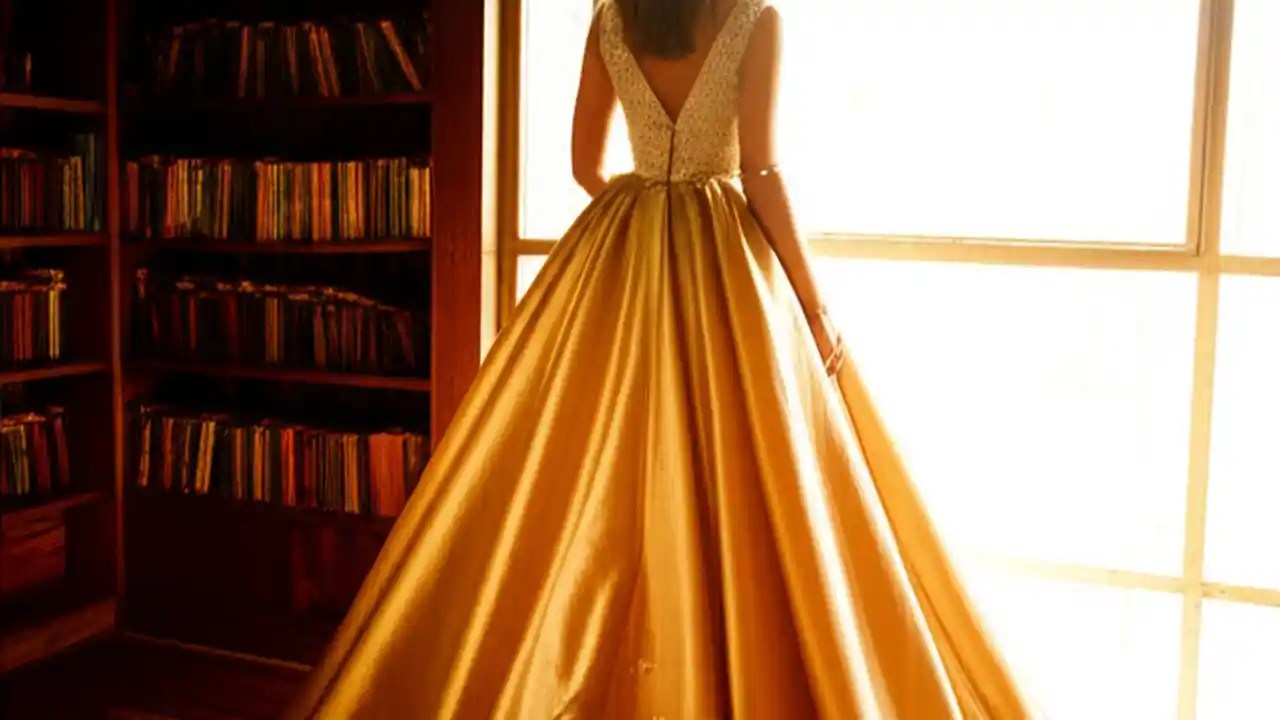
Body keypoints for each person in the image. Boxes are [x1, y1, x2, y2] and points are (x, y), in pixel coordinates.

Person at [286, 1, 1029, 717]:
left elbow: (584, 164)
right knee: (743, 462)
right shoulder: (754, 20)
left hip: (622, 247)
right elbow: (762, 173)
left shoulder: (613, 19)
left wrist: (643, 211)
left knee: (589, 463)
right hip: (724, 264)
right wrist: (813, 305)